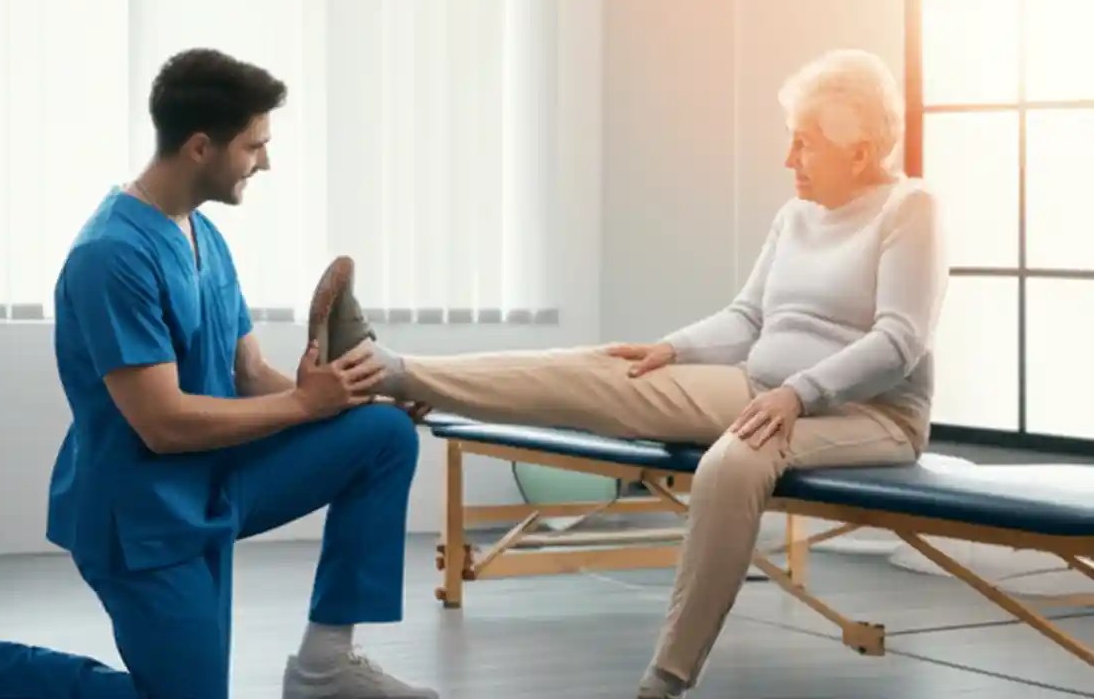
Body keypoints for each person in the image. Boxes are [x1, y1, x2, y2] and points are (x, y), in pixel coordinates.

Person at [320, 49, 949, 698]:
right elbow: (747, 318)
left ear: (860, 151)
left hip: (870, 416)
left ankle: (665, 681)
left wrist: (800, 392)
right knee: (604, 371)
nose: (789, 159)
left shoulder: (910, 208)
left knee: (733, 464)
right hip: (764, 389)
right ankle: (391, 370)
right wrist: (670, 350)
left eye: (805, 144)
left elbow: (900, 340)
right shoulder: (795, 214)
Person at [0, 48, 439, 699]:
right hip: (141, 516)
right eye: (255, 145)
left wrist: (341, 397)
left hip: (214, 481)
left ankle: (326, 665)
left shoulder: (202, 234)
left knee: (381, 434)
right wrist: (307, 406)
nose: (265, 161)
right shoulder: (111, 255)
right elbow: (163, 424)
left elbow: (249, 371)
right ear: (202, 147)